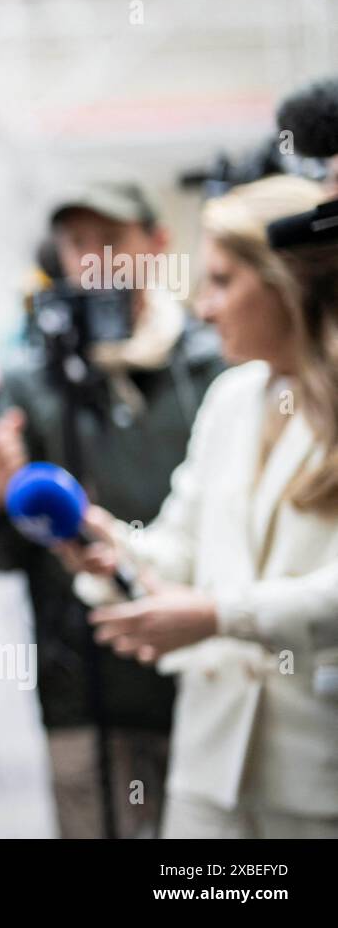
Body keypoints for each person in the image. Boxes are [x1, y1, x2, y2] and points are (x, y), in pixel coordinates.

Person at [55, 175, 338, 838]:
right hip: (208, 775)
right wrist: (109, 547)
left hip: (318, 780)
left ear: (288, 282)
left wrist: (218, 615)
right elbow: (180, 549)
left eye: (221, 281)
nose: (202, 309)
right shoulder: (232, 399)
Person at [0, 181, 224, 838]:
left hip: (206, 675)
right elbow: (1, 554)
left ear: (158, 242)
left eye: (111, 239)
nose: (94, 259)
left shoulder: (215, 363)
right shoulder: (30, 377)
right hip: (82, 686)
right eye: (78, 243)